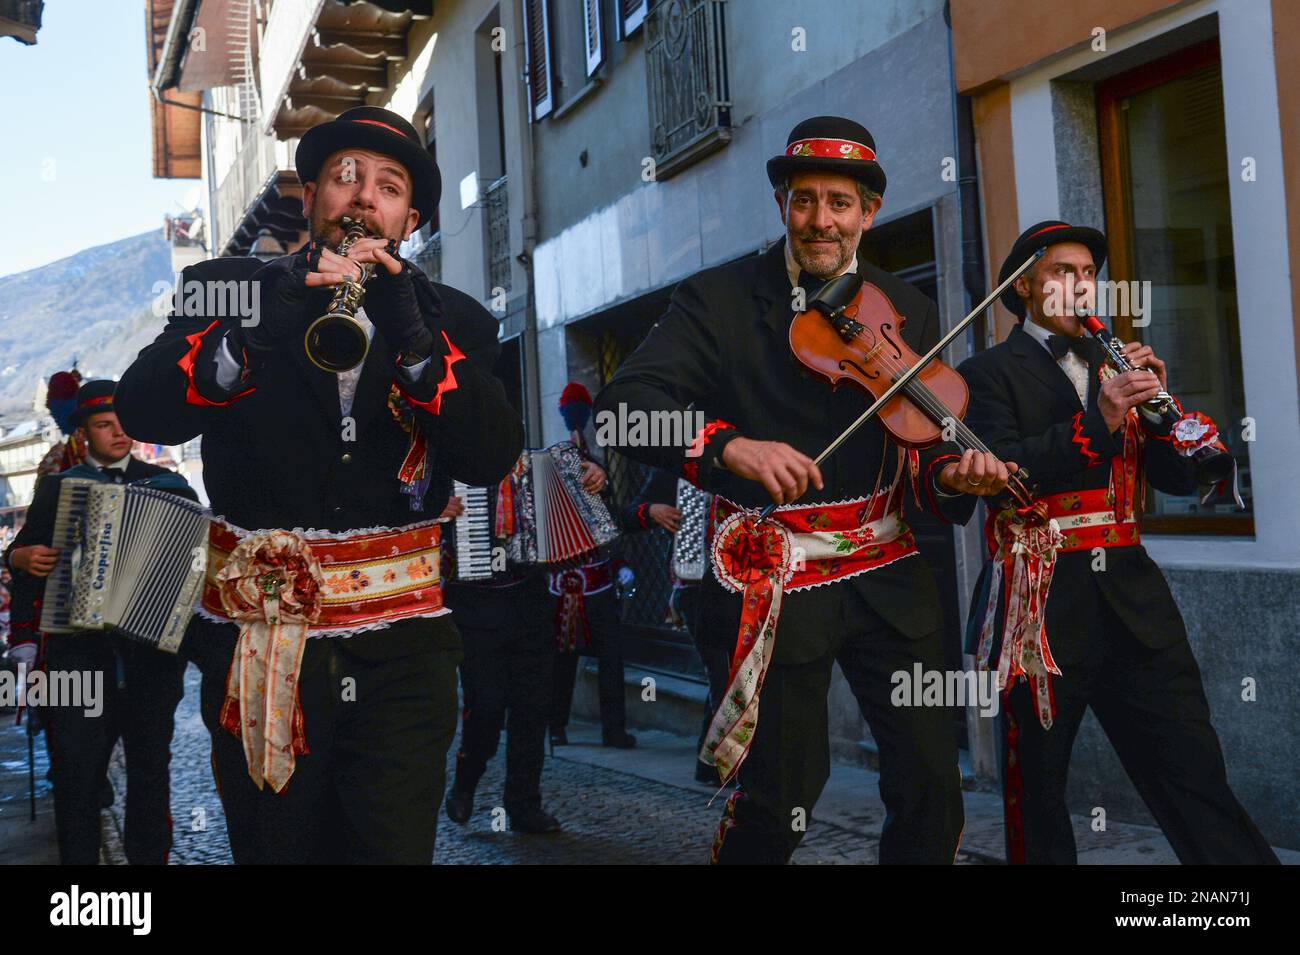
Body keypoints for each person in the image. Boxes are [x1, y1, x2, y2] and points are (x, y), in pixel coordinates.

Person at [595, 116, 1014, 864]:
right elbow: (623, 409)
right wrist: (729, 445)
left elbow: (917, 452)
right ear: (783, 204)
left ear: (869, 213)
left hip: (887, 573)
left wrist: (955, 475)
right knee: (781, 799)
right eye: (805, 200)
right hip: (776, 576)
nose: (822, 220)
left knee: (929, 784)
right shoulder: (718, 300)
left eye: (841, 203)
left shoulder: (904, 309)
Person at [114, 105, 524, 864]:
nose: (365, 197)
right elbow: (143, 406)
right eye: (345, 177)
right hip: (263, 645)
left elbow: (492, 454)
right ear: (311, 199)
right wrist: (252, 335)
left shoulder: (454, 318)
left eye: (390, 186)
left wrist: (417, 346)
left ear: (411, 219)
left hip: (404, 655)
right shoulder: (227, 286)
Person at [958, 220, 1279, 865]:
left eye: (1088, 275)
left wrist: (1165, 417)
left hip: (1135, 608)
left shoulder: (1113, 360)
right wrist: (1101, 415)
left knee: (1193, 771)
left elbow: (1175, 480)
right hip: (1039, 611)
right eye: (1061, 273)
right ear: (1025, 288)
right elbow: (1003, 476)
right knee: (1039, 792)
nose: (1080, 287)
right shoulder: (984, 373)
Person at [4, 380, 193, 864]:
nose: (118, 433)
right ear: (82, 434)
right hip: (77, 661)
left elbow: (195, 568)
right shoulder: (57, 490)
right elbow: (25, 558)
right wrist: (18, 557)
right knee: (78, 781)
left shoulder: (170, 486)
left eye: (123, 423)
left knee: (152, 779)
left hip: (151, 662)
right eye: (104, 425)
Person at [439, 460, 562, 834]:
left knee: (532, 709)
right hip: (476, 611)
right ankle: (465, 782)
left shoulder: (540, 468)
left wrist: (598, 480)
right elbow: (404, 510)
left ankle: (524, 805)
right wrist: (435, 509)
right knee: (486, 708)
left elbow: (595, 510)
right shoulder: (446, 471)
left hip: (531, 609)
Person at [619, 465, 725, 783]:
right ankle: (722, 764)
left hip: (746, 585)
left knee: (730, 673)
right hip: (696, 586)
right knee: (722, 672)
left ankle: (709, 763)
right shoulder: (677, 466)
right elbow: (627, 514)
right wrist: (652, 510)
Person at [548, 383, 635, 750]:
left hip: (597, 574)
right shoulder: (552, 461)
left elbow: (611, 519)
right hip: (563, 579)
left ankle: (609, 729)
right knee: (563, 658)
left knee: (608, 657)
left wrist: (620, 562)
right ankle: (559, 725)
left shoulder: (597, 462)